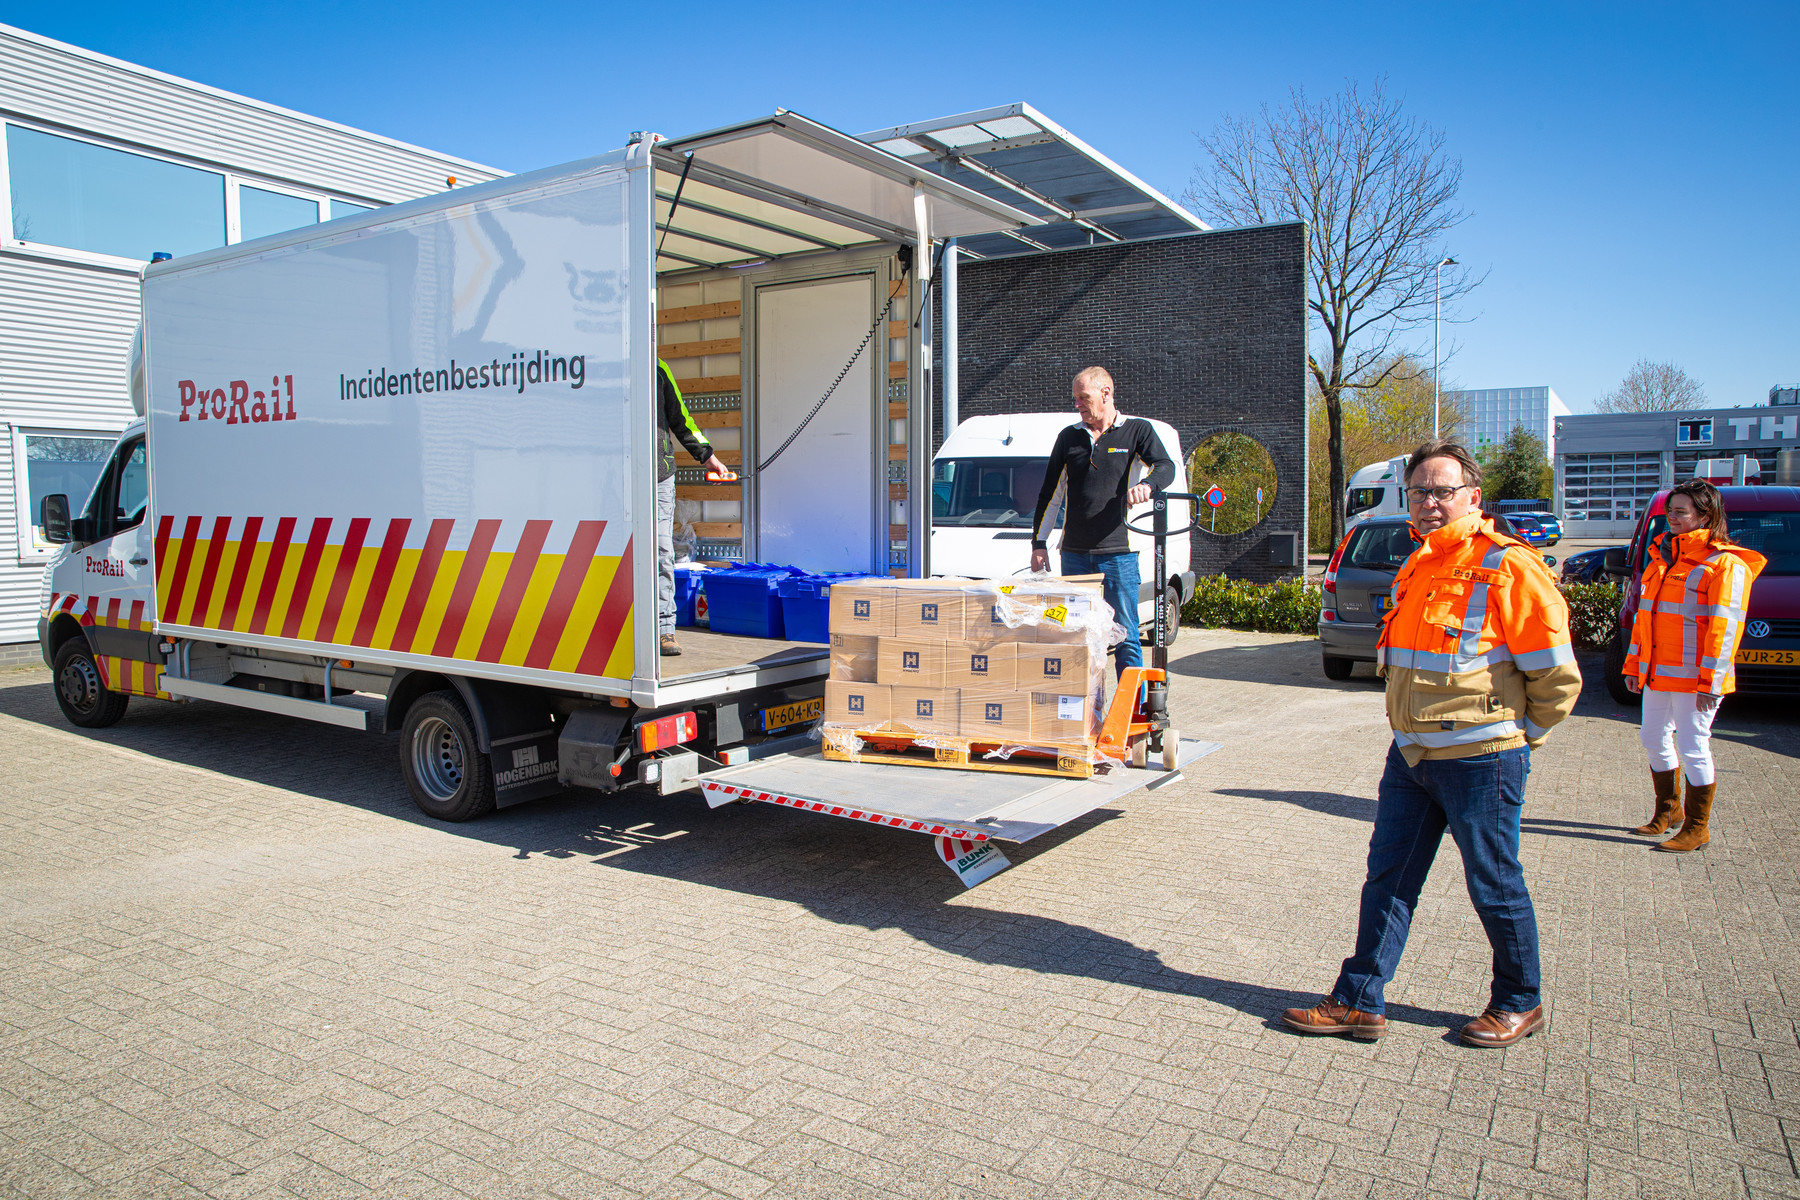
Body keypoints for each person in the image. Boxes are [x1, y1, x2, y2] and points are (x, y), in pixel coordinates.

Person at [1283, 439, 1581, 1047]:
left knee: (1493, 884)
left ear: (1473, 496)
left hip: (1483, 759)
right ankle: (1359, 1000)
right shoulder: (1418, 563)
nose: (1429, 503)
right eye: (1419, 491)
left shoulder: (1509, 567)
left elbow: (1556, 675)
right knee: (1387, 879)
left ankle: (1520, 1001)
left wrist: (1522, 738)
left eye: (1442, 491)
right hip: (1412, 756)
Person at [1622, 480, 1764, 851]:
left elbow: (1725, 627)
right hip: (1657, 673)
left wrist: (1711, 681)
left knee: (1693, 745)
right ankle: (1668, 812)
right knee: (1652, 738)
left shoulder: (1724, 564)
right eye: (1670, 510)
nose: (1672, 517)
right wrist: (1634, 666)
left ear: (1706, 515)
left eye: (1681, 511)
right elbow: (1645, 619)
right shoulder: (1663, 558)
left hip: (1696, 679)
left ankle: (1697, 827)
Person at [1029, 367, 1175, 675]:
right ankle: (1087, 716)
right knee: (1078, 637)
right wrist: (1039, 544)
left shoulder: (1137, 431)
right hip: (1075, 556)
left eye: (1083, 397)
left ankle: (1131, 714)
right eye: (1075, 399)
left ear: (1105, 393)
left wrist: (1148, 485)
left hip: (1119, 555)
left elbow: (1165, 465)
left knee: (1126, 637)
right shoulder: (1069, 438)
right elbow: (1049, 496)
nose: (1078, 405)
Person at [657, 359, 729, 656]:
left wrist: (707, 455)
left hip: (657, 477)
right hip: (615, 478)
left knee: (661, 552)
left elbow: (681, 417)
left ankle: (664, 630)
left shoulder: (658, 367)